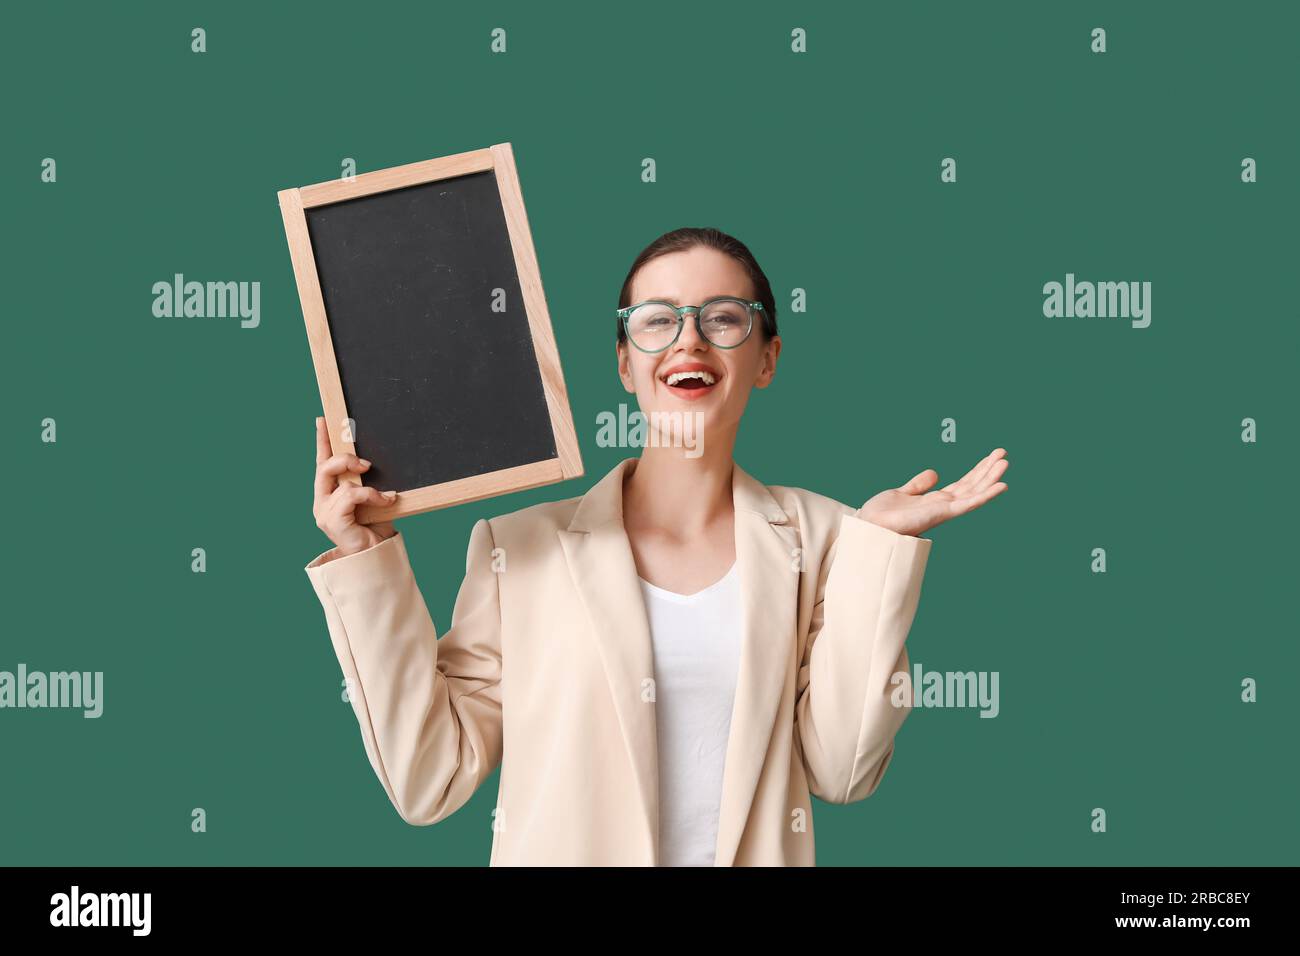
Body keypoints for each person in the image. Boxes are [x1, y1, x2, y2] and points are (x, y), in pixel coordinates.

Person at [305, 226, 1009, 866]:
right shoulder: (516, 548)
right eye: (658, 320)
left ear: (767, 360)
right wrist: (372, 558)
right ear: (623, 363)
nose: (689, 341)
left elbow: (842, 770)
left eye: (724, 318)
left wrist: (877, 550)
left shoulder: (827, 541)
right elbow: (430, 778)